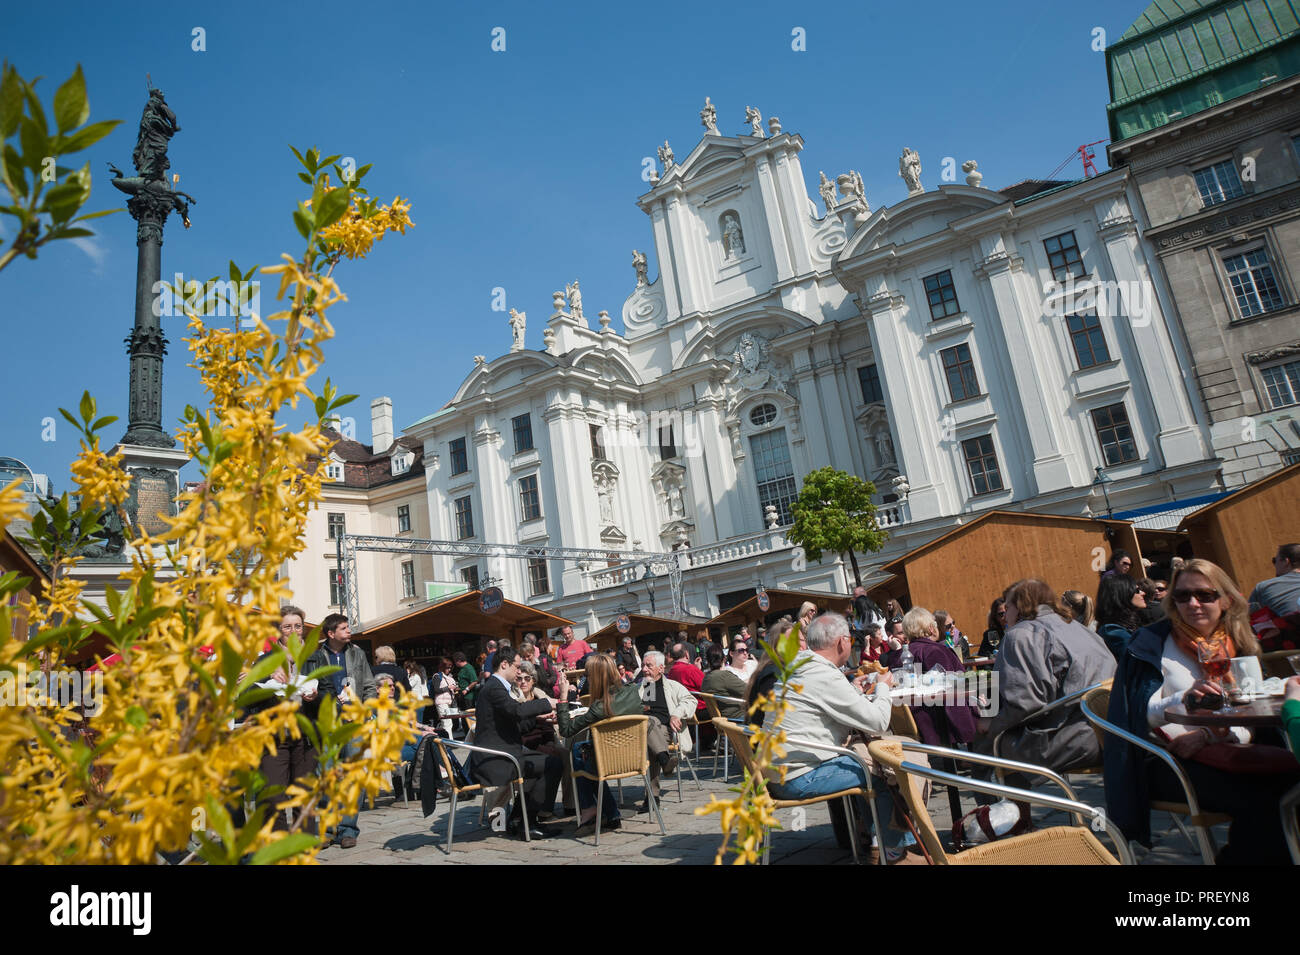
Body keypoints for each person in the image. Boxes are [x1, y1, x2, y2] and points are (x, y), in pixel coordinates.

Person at [1105, 558, 1299, 864]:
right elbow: (1142, 714)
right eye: (1182, 596)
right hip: (1167, 760)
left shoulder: (1236, 640)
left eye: (1204, 595)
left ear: (1225, 600)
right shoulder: (1153, 643)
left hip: (1229, 749)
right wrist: (1185, 697)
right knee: (1260, 797)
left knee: (1290, 781)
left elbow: (1249, 708)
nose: (1193, 604)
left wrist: (1209, 735)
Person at [768, 612, 915, 863]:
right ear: (842, 642)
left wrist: (851, 690)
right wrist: (883, 686)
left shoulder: (801, 667)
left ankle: (877, 844)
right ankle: (896, 853)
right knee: (883, 771)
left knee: (863, 761)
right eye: (849, 638)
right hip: (796, 776)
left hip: (779, 768)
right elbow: (878, 722)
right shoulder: (822, 674)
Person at [982, 579, 1115, 778]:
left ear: (1018, 607)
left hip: (1074, 739)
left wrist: (991, 724)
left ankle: (1002, 810)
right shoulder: (1080, 628)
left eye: (1007, 607)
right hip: (1112, 731)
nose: (1004, 615)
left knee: (986, 750)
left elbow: (1024, 706)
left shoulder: (1020, 635)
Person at [470, 647, 564, 839]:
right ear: (504, 664)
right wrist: (548, 702)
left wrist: (538, 716)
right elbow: (517, 711)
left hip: (503, 753)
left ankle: (519, 818)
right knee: (551, 764)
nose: (519, 671)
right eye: (516, 667)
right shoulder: (495, 687)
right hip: (496, 759)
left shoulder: (494, 686)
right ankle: (527, 822)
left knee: (542, 761)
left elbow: (513, 721)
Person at [304, 613, 377, 849]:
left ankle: (347, 829)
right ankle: (325, 829)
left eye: (348, 627)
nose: (349, 631)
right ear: (330, 633)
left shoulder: (357, 653)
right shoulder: (315, 656)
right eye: (344, 628)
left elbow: (368, 684)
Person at [554, 654, 644, 834]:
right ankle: (610, 814)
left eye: (587, 675)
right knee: (583, 750)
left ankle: (590, 808)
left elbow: (565, 730)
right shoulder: (635, 691)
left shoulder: (599, 707)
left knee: (578, 753)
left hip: (609, 763)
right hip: (636, 757)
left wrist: (563, 697)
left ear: (594, 677)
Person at [248, 606, 319, 832]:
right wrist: (268, 676)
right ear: (278, 631)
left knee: (304, 794)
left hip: (305, 736)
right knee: (272, 795)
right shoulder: (264, 661)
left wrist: (315, 697)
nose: (293, 631)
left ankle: (304, 845)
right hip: (273, 736)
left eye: (298, 626)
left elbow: (329, 693)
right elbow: (247, 695)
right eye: (287, 626)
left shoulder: (314, 658)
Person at [637, 650, 697, 809]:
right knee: (649, 723)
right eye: (643, 665)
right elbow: (645, 710)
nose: (644, 669)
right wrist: (647, 687)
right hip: (645, 731)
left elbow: (690, 701)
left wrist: (676, 714)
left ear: (661, 668)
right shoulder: (643, 687)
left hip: (666, 730)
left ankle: (652, 797)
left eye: (649, 666)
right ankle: (665, 761)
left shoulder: (672, 686)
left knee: (650, 729)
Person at [1248, 543, 1300, 650]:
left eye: (1274, 560)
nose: (1275, 565)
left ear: (1286, 562)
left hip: (1290, 650)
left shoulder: (1265, 587)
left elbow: (1247, 618)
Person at [1096, 573, 1146, 660]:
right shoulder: (1113, 632)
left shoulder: (1127, 624)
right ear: (1123, 594)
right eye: (1137, 590)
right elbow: (1139, 661)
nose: (1143, 593)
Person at [700, 643, 747, 720]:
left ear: (708, 661)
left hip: (722, 720)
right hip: (737, 718)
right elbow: (748, 691)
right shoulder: (724, 676)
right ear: (724, 659)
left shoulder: (706, 679)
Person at [428, 656, 458, 736]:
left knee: (448, 723)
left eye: (450, 667)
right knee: (447, 723)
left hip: (448, 702)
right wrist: (448, 688)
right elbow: (437, 690)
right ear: (442, 667)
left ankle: (446, 740)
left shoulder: (449, 677)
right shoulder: (437, 676)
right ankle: (449, 742)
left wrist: (455, 689)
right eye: (448, 667)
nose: (449, 669)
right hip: (441, 703)